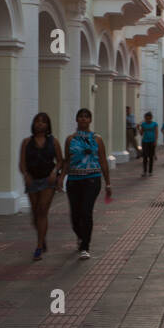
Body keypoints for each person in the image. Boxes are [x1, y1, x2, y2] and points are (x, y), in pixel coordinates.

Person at [60, 109, 111, 259]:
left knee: (86, 211)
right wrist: (61, 178)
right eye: (81, 117)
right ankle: (80, 235)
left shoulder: (97, 139)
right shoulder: (70, 139)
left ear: (90, 120)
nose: (83, 119)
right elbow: (67, 161)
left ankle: (85, 246)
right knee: (75, 215)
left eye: (86, 117)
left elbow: (102, 160)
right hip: (74, 180)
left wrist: (108, 183)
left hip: (92, 179)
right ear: (76, 119)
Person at [19, 112, 64, 260]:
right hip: (33, 180)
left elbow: (59, 161)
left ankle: (38, 246)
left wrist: (54, 172)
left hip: (47, 181)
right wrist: (26, 175)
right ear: (33, 124)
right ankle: (42, 236)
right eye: (37, 121)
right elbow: (22, 163)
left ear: (48, 125)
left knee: (42, 210)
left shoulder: (53, 142)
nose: (40, 124)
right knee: (35, 214)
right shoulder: (26, 142)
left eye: (43, 122)